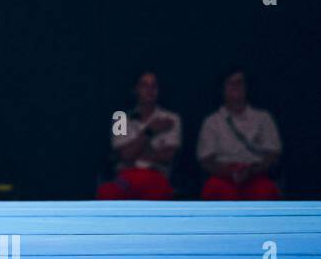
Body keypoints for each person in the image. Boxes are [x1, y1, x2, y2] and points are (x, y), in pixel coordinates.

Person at [196, 68, 282, 200]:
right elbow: (206, 159)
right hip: (223, 176)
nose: (236, 87)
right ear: (222, 89)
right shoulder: (212, 121)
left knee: (266, 191)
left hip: (256, 175)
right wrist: (229, 172)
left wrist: (252, 171)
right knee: (214, 190)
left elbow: (273, 154)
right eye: (231, 83)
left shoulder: (263, 118)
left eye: (240, 83)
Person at [96, 70, 181, 200]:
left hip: (155, 176)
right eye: (144, 85)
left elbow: (167, 157)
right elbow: (123, 155)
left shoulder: (171, 119)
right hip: (125, 178)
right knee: (107, 191)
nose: (150, 90)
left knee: (156, 192)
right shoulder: (120, 119)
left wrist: (135, 151)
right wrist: (150, 131)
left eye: (154, 86)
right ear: (135, 89)